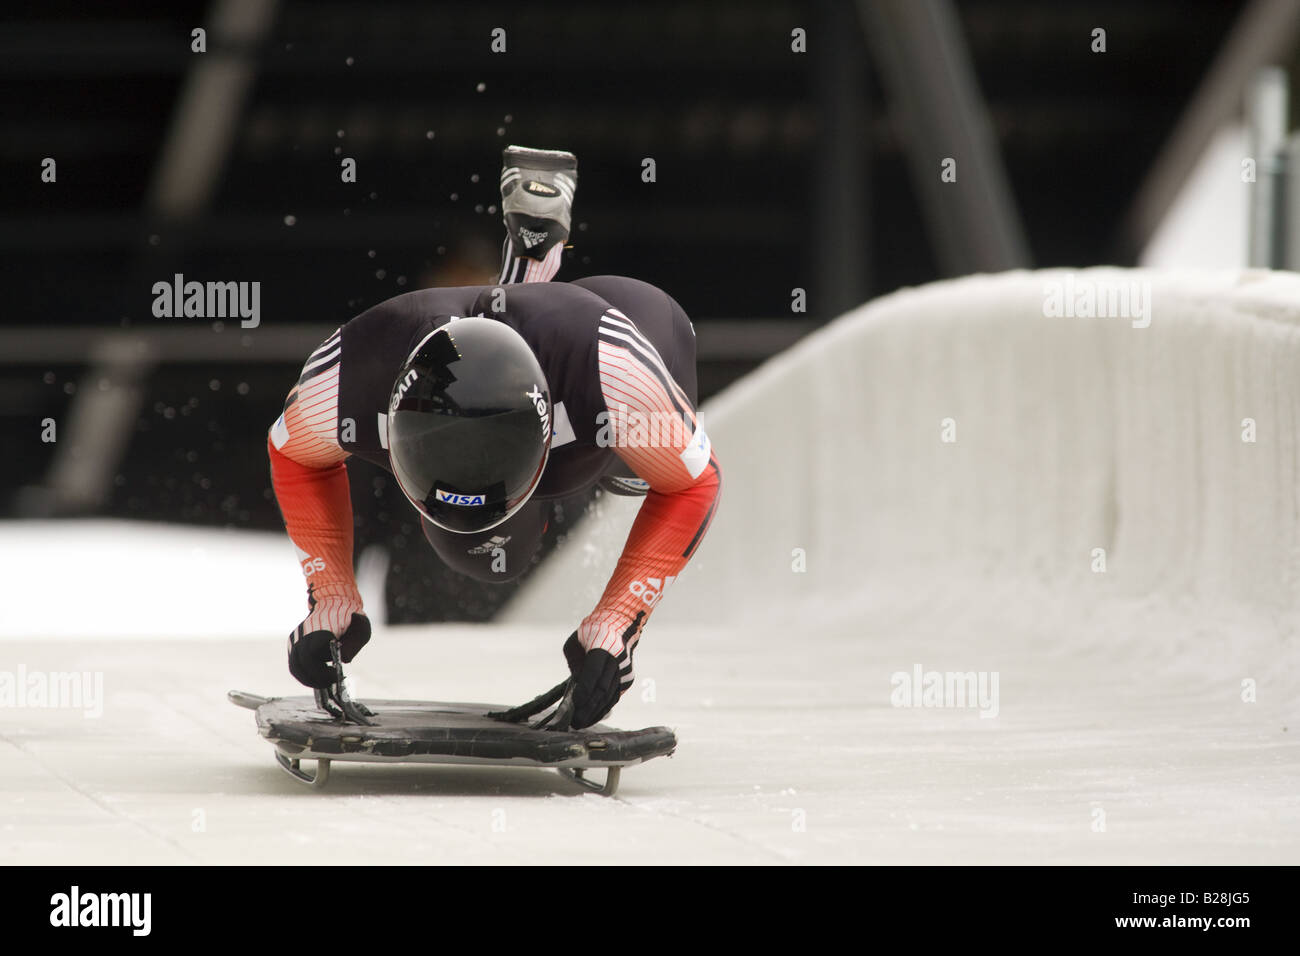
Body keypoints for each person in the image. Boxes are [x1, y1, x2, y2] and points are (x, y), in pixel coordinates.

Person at [267, 146, 721, 728]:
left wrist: (619, 621)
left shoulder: (611, 376)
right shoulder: (361, 370)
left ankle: (532, 262)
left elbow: (695, 483)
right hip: (532, 354)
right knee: (498, 549)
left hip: (609, 338)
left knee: (633, 471)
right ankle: (532, 258)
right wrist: (330, 597)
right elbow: (292, 453)